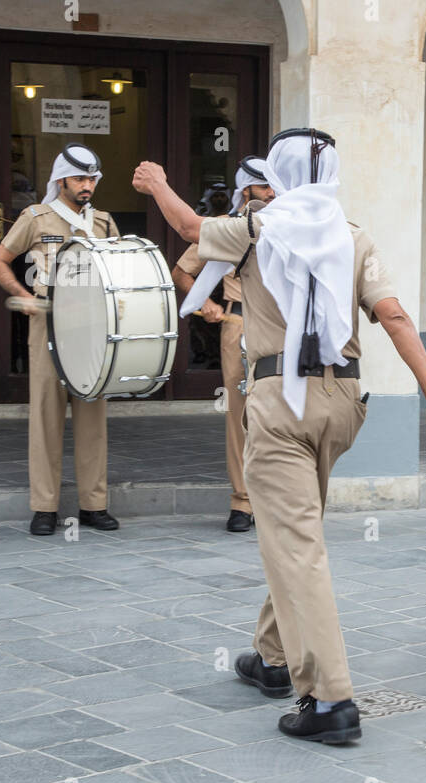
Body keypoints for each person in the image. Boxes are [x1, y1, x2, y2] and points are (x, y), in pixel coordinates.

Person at [134, 129, 426, 742]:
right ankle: (271, 656)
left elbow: (188, 229)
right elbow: (394, 316)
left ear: (277, 175)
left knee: (296, 545)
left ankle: (332, 699)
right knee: (297, 530)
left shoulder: (258, 229)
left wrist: (158, 185)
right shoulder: (353, 235)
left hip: (281, 400)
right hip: (341, 403)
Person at [0, 142, 120, 536]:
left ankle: (93, 505)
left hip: (93, 327)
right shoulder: (36, 217)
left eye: (92, 179)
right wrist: (25, 298)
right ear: (61, 179)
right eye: (80, 178)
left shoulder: (105, 223)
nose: (87, 186)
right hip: (48, 323)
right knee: (46, 416)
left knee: (93, 417)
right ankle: (44, 507)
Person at [172, 155, 276, 533]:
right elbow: (182, 273)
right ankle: (242, 501)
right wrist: (207, 303)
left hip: (282, 326)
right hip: (240, 322)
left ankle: (276, 499)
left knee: (282, 413)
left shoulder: (288, 226)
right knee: (240, 414)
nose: (271, 192)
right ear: (246, 189)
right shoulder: (223, 227)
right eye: (263, 186)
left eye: (274, 185)